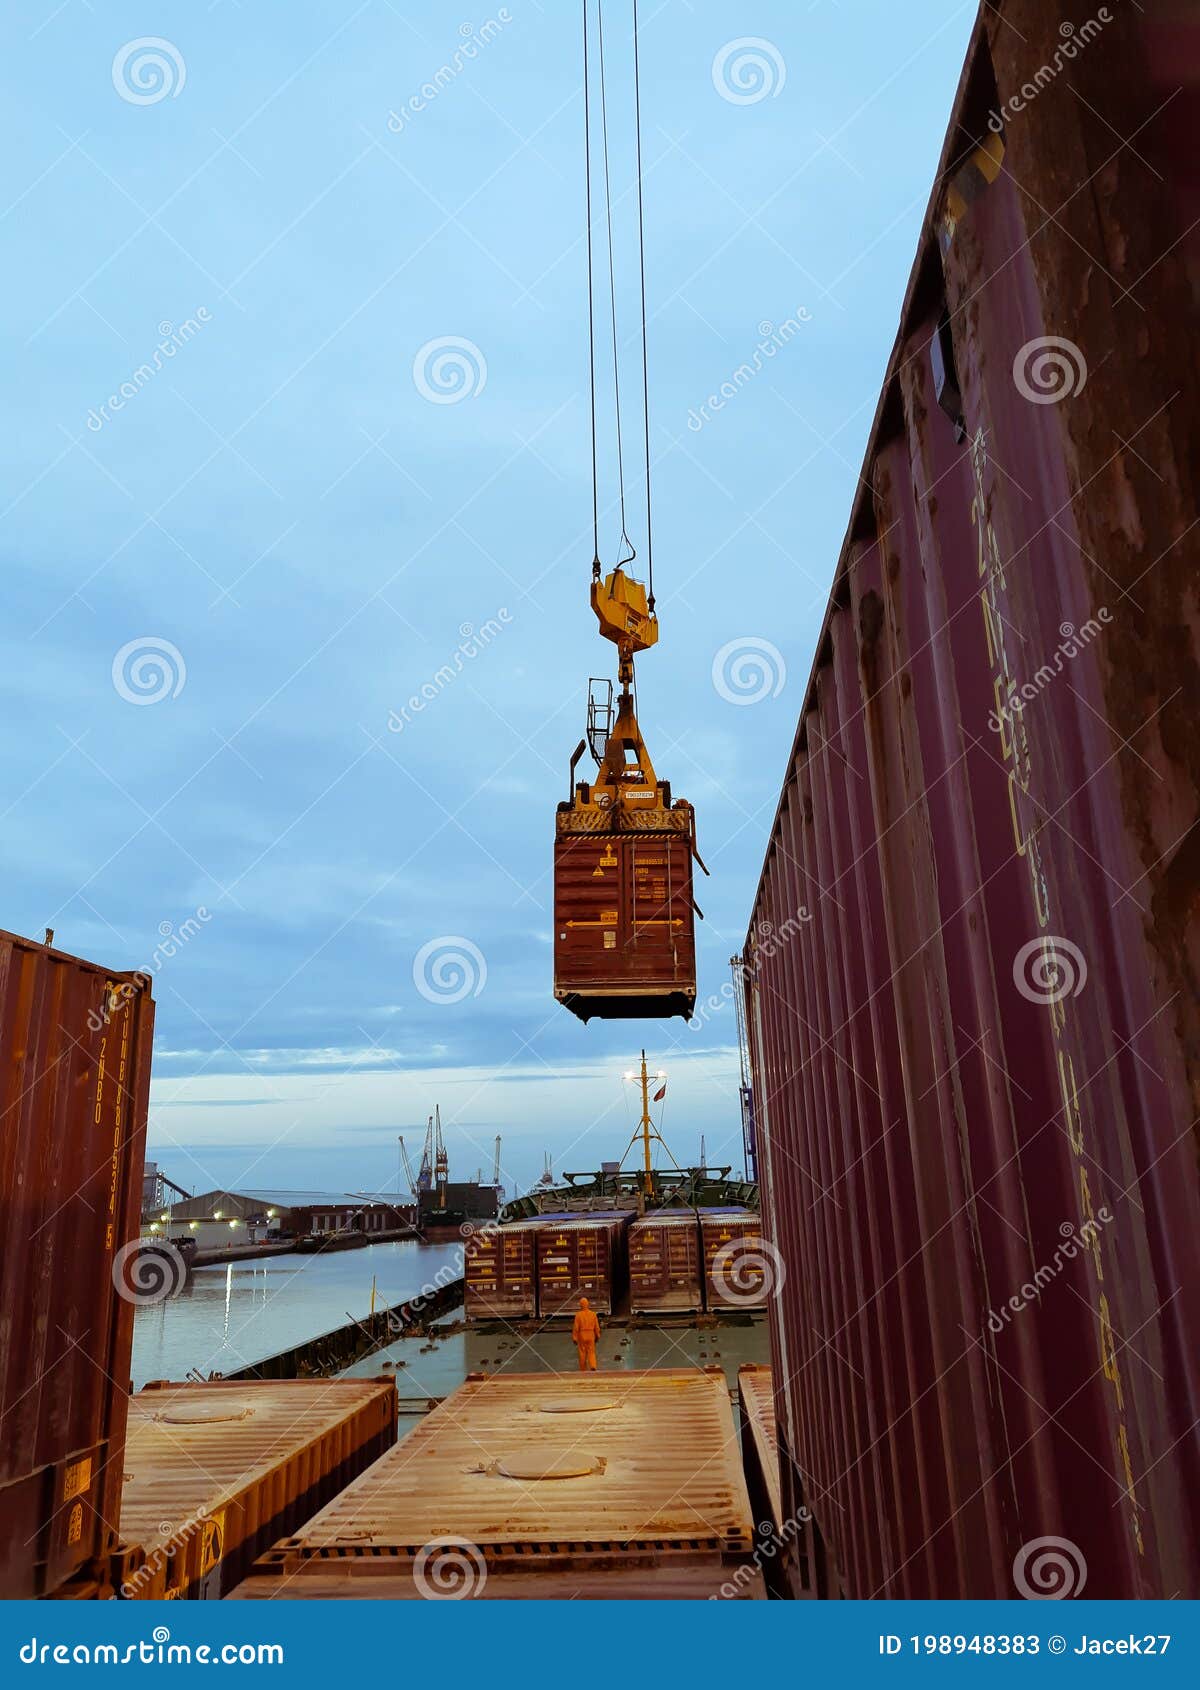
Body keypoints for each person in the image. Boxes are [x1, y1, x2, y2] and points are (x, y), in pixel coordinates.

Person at [572, 1295, 601, 1371]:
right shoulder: (593, 1314)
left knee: (582, 1353)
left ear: (581, 1305)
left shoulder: (578, 1315)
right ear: (588, 1304)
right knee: (591, 1352)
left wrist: (574, 1338)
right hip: (591, 1335)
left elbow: (576, 1328)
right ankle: (593, 1366)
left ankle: (583, 1369)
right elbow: (596, 1327)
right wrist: (597, 1335)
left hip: (582, 1335)